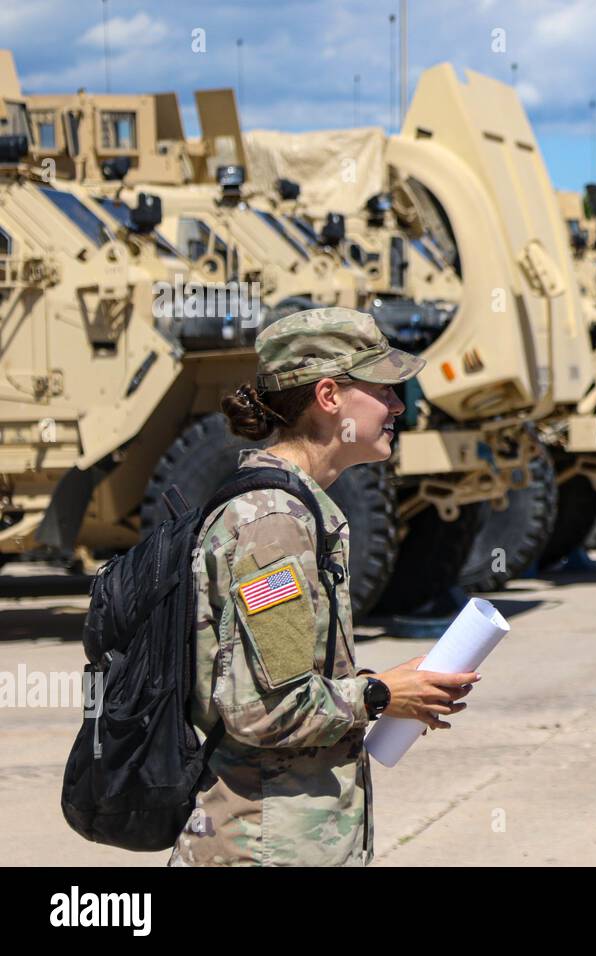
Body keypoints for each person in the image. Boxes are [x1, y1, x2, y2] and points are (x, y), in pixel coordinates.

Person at [170, 307, 480, 867]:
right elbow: (264, 711)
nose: (398, 406)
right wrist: (381, 695)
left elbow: (278, 680)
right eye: (383, 388)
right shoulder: (273, 524)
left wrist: (381, 687)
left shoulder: (295, 509)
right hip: (263, 845)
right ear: (329, 396)